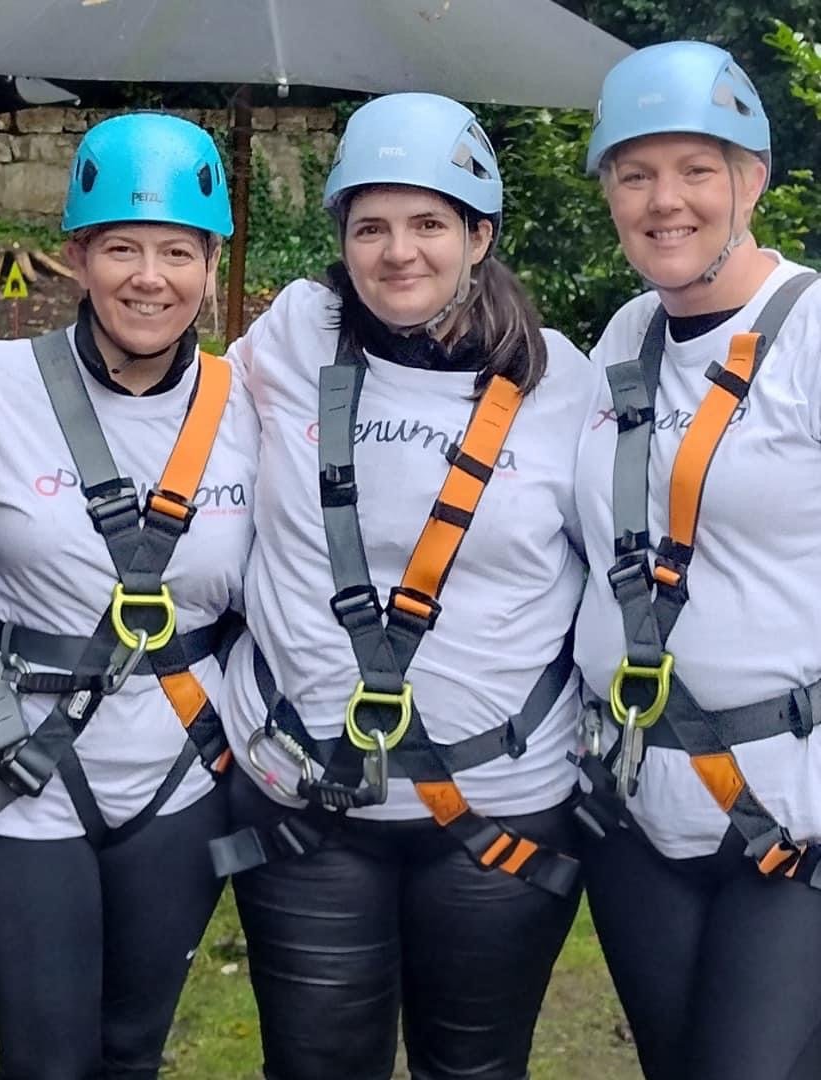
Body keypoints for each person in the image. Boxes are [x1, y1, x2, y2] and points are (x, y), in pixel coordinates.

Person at [210, 92, 592, 1080]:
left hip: (499, 805)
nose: (398, 252)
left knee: (473, 1071)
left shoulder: (567, 389)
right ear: (339, 237)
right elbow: (169, 413)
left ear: (481, 235)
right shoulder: (292, 336)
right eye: (370, 226)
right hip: (304, 801)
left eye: (429, 224)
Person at [0, 112, 257, 1080]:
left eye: (177, 250)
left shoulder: (253, 402)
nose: (149, 276)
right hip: (17, 769)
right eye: (121, 246)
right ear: (77, 255)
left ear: (208, 262)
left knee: (130, 1053)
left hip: (180, 772)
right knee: (45, 1061)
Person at [574, 40, 821, 1080]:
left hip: (792, 818)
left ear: (752, 180)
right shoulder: (625, 338)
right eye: (635, 174)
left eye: (696, 170)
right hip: (636, 815)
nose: (664, 201)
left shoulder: (812, 334)